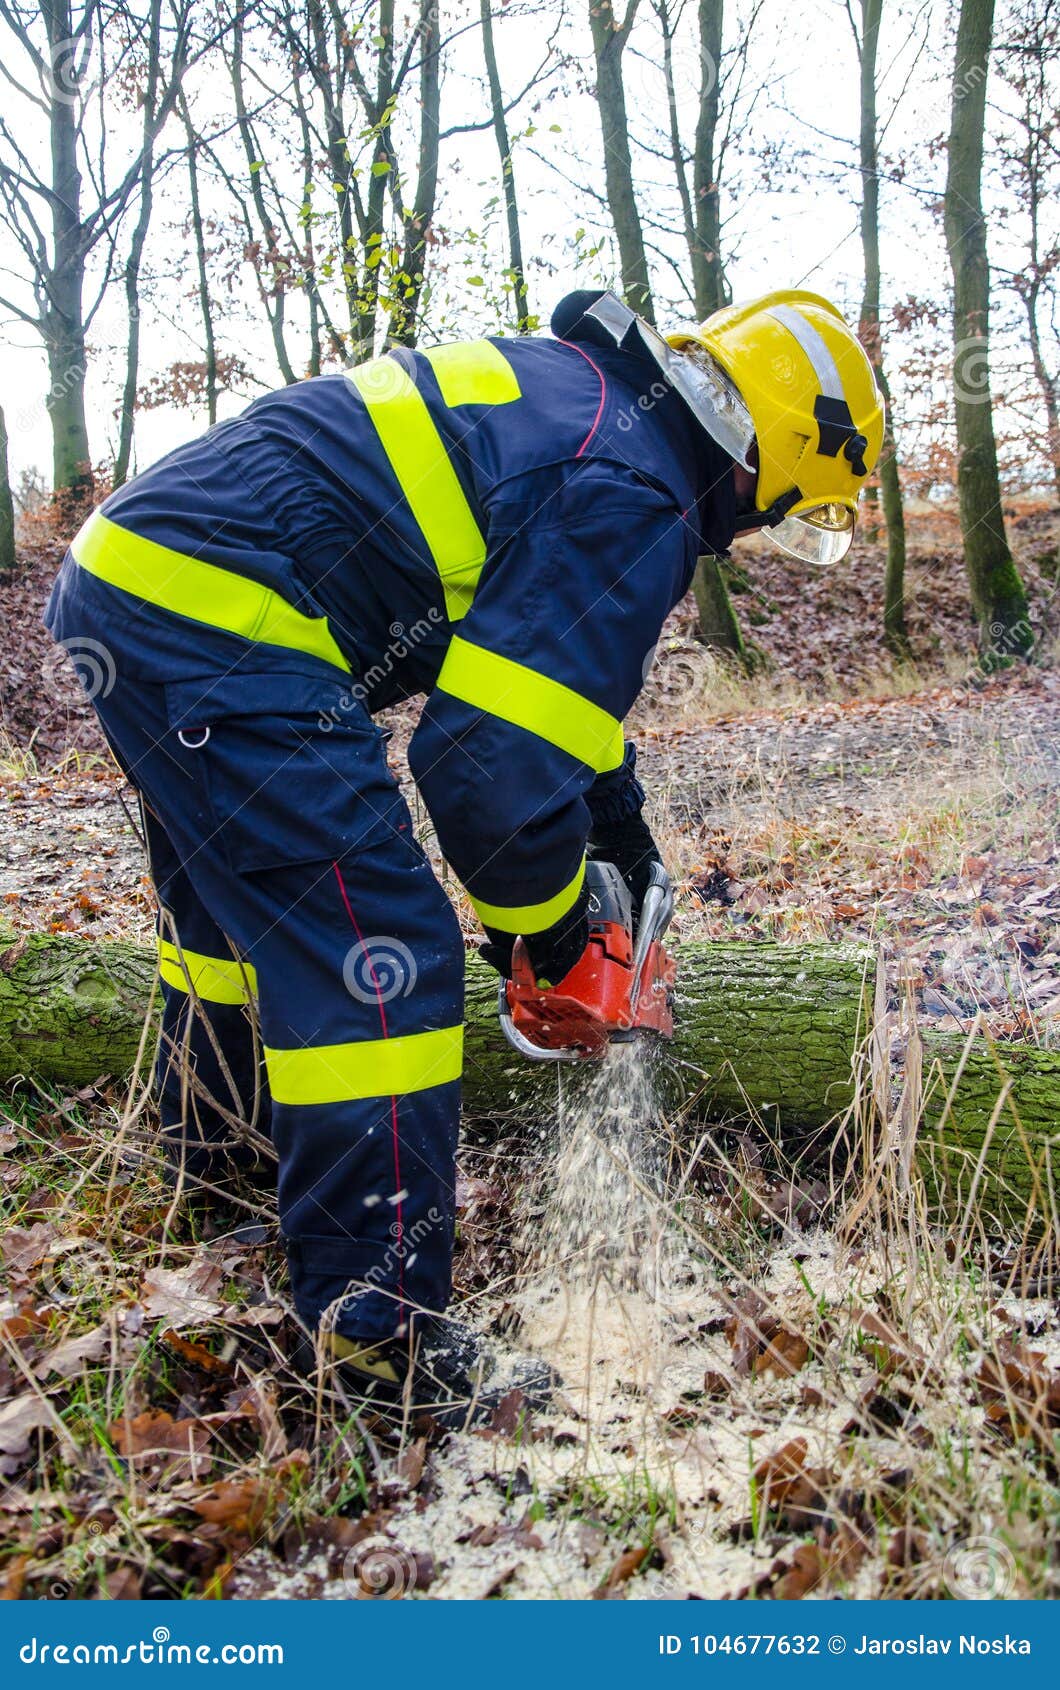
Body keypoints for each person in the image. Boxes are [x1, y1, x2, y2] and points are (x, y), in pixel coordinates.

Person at [45, 288, 883, 1424]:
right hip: (227, 614)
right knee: (377, 945)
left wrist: (620, 841)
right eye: (786, 512)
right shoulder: (636, 491)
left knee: (234, 920)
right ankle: (375, 1343)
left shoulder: (590, 411)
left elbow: (537, 697)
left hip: (134, 578)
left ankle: (220, 1174)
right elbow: (484, 768)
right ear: (774, 462)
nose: (752, 534)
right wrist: (542, 936)